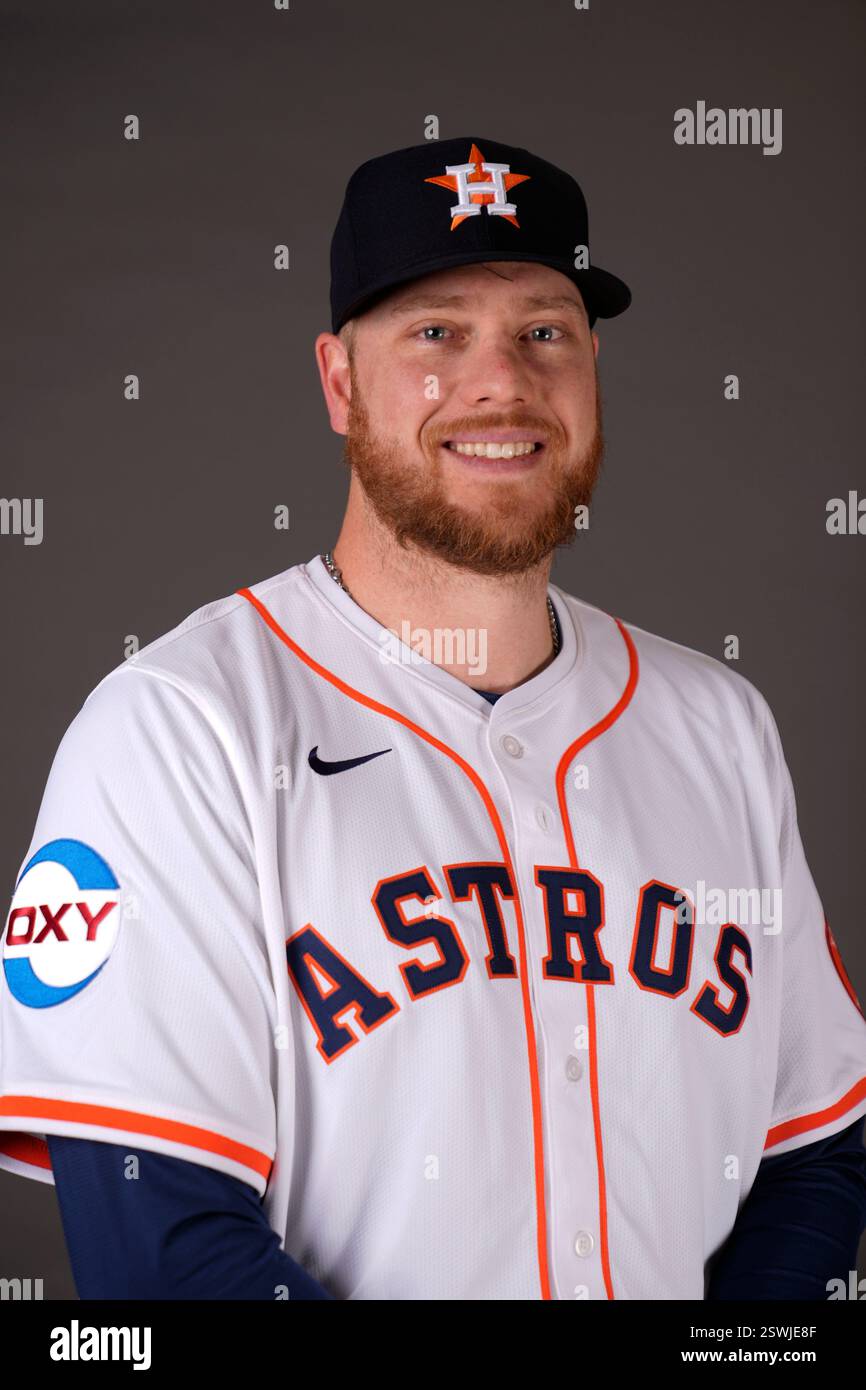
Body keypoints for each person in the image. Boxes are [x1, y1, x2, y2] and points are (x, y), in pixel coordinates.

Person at [2, 136, 865, 1300]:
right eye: (435, 332)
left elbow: (811, 1153)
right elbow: (160, 1251)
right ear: (338, 380)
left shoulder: (716, 724)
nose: (500, 383)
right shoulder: (175, 729)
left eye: (543, 331)